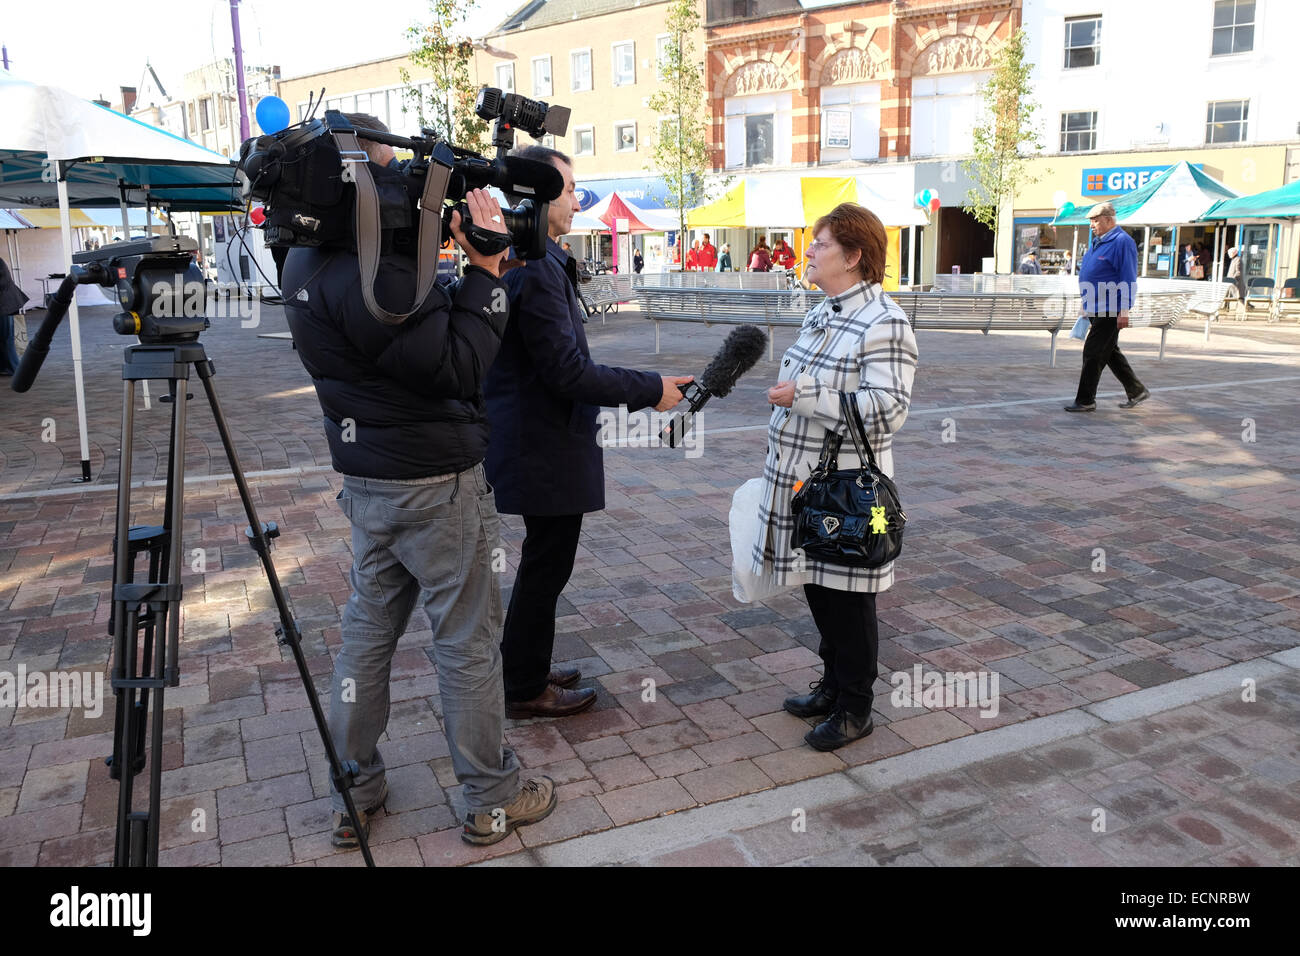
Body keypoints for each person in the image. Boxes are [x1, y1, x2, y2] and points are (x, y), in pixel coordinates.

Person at [282, 178, 557, 849]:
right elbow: (459, 366)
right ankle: (491, 798)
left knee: (366, 634)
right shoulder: (383, 277)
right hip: (437, 484)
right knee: (464, 642)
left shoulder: (303, 257)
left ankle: (355, 788)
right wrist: (486, 273)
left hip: (369, 479)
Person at [484, 145, 692, 719]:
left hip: (539, 439)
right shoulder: (537, 267)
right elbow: (568, 372)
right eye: (572, 189)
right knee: (546, 564)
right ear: (543, 194)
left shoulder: (538, 259)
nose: (579, 200)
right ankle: (523, 685)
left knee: (543, 563)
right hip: (541, 444)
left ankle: (524, 664)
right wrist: (652, 389)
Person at [760, 203, 918, 751]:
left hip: (845, 490)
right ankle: (832, 685)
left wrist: (806, 395)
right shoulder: (824, 310)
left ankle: (856, 707)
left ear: (853, 256)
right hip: (805, 482)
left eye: (820, 244)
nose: (809, 251)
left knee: (849, 598)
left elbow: (889, 408)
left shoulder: (884, 320)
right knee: (820, 588)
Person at [1065, 202, 1149, 413]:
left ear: (1109, 220)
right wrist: (1086, 304)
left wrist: (1124, 310)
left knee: (1093, 351)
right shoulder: (1097, 242)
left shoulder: (1122, 242)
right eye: (1091, 221)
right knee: (1109, 351)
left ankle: (1086, 400)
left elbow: (1128, 278)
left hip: (1110, 308)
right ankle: (1136, 390)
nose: (1092, 225)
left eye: (1095, 221)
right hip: (1095, 306)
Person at [0, 255, 29, 376]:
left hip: (4, 303)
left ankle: (15, 368)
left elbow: (3, 283)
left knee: (6, 338)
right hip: (5, 302)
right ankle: (5, 367)